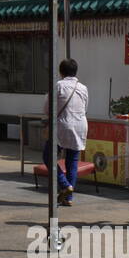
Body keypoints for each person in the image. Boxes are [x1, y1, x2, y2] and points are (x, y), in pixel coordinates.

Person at [42, 58, 89, 206]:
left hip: (62, 126)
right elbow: (85, 107)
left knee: (48, 156)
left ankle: (64, 184)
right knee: (72, 161)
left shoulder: (58, 86)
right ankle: (68, 198)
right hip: (80, 125)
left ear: (61, 72)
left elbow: (47, 108)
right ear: (76, 72)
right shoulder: (83, 88)